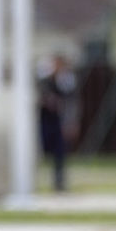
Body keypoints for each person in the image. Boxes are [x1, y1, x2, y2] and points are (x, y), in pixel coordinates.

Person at [36, 53, 79, 191]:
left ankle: (59, 182)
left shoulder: (66, 81)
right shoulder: (44, 79)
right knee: (39, 149)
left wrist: (71, 122)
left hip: (58, 121)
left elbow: (71, 101)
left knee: (59, 153)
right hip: (44, 120)